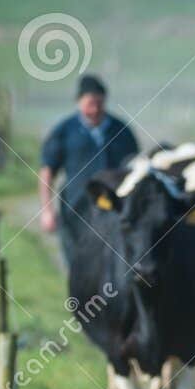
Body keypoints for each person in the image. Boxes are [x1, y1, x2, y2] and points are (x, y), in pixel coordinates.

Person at [39, 74, 138, 265]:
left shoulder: (122, 132)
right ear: (78, 102)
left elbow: (135, 169)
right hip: (75, 211)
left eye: (99, 103)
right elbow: (47, 172)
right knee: (78, 265)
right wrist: (47, 211)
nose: (95, 109)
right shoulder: (64, 132)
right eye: (90, 103)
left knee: (115, 265)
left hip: (115, 211)